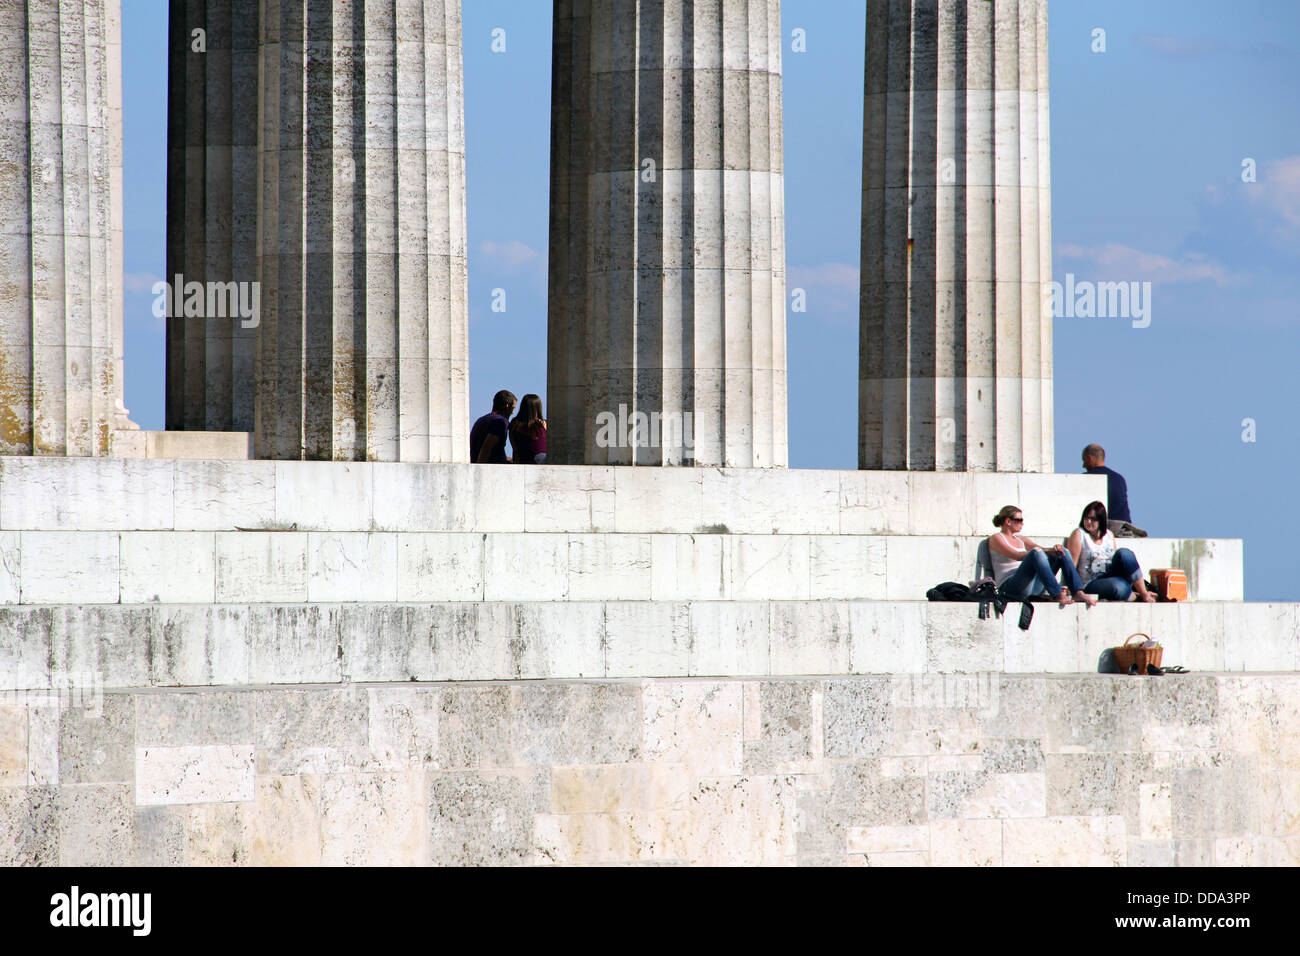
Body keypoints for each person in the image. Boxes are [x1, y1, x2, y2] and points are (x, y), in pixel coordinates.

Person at [988, 505, 1097, 608]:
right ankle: (1057, 594)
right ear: (1008, 521)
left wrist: (1054, 550)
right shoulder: (996, 538)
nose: (1022, 523)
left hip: (1030, 587)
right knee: (1036, 553)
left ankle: (1078, 592)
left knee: (1061, 552)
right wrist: (1043, 551)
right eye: (1019, 520)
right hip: (1009, 587)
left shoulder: (1020, 538)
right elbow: (1016, 555)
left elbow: (1042, 550)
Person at [1066, 501, 1156, 602]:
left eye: (1093, 519)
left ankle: (1143, 593)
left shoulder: (1109, 535)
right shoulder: (1079, 534)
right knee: (1119, 586)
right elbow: (1071, 564)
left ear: (1101, 520)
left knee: (1125, 554)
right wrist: (1072, 589)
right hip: (1091, 582)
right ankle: (1132, 594)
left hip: (1110, 575)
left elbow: (1115, 558)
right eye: (1086, 518)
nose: (1088, 522)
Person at [1082, 443, 1146, 536]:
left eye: (1084, 461)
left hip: (1105, 528)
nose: (1083, 465)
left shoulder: (1086, 478)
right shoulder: (1119, 479)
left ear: (1090, 458)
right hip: (1123, 527)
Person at [470, 390, 516, 463]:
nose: (513, 412)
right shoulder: (500, 422)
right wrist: (481, 468)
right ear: (507, 406)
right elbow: (487, 447)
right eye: (513, 408)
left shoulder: (481, 420)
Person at [509, 393, 548, 464]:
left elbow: (514, 447)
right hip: (538, 462)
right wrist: (545, 428)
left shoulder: (514, 424)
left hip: (523, 461)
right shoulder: (542, 425)